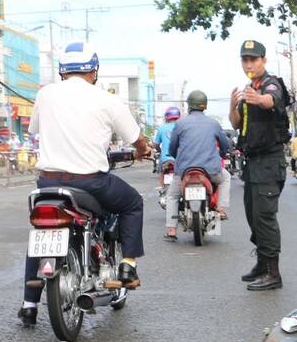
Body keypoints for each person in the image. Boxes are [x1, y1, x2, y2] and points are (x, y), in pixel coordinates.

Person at [24, 41, 148, 318]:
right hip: (90, 182)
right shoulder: (106, 98)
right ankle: (127, 264)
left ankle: (29, 303)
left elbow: (34, 128)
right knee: (133, 203)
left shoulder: (45, 95)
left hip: (47, 183)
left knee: (41, 233)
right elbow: (136, 138)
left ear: (62, 72)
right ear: (94, 72)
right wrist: (142, 150)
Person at [229, 39, 292, 291]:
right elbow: (235, 124)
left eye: (253, 59)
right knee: (253, 217)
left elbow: (271, 100)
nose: (249, 64)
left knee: (265, 218)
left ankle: (273, 273)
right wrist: (234, 106)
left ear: (263, 61)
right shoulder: (248, 89)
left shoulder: (270, 83)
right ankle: (262, 264)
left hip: (269, 161)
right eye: (245, 60)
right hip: (252, 163)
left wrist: (258, 98)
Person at [164, 90, 231, 239]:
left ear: (189, 106)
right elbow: (225, 145)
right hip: (210, 170)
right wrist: (220, 155)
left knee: (172, 196)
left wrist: (179, 159)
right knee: (226, 178)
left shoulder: (180, 124)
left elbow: (172, 147)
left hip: (184, 171)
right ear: (204, 106)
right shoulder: (213, 123)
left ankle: (171, 229)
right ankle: (220, 208)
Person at [154, 105, 180, 187]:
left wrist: (159, 150)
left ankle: (163, 191)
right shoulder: (182, 127)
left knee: (161, 173)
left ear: (167, 117)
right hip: (179, 159)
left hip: (165, 159)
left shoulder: (162, 128)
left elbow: (156, 144)